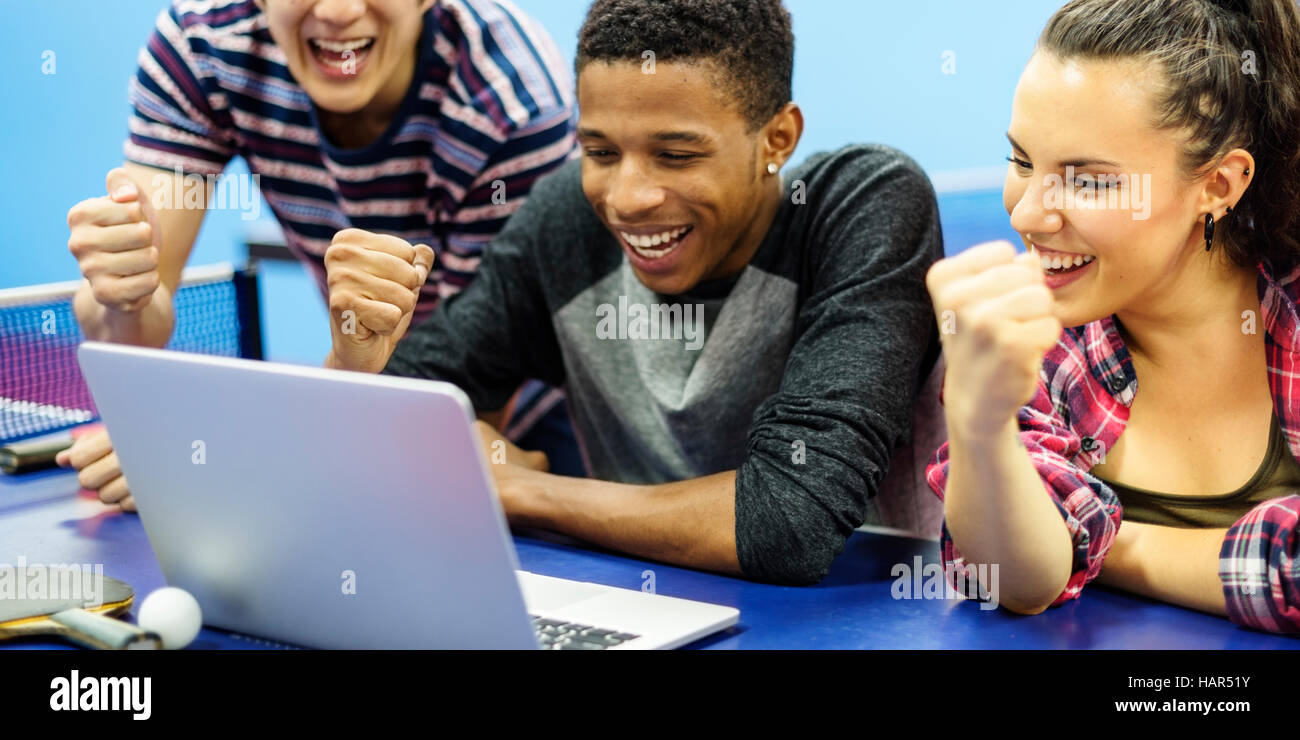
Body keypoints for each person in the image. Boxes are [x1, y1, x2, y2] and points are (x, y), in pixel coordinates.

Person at [323, 0, 943, 584]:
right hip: (631, 605)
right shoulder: (568, 218)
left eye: (675, 155)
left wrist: (519, 489)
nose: (626, 197)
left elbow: (788, 522)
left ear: (776, 140)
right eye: (600, 150)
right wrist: (358, 357)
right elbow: (404, 418)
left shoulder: (864, 204)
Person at [57, 0, 577, 510]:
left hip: (527, 430)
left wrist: (229, 445)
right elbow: (131, 331)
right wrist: (121, 294)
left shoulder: (512, 99)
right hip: (354, 399)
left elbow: (461, 401)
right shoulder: (203, 44)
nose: (337, 11)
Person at [926, 0, 1300, 633]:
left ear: (1218, 186)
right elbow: (1015, 581)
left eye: (1090, 182)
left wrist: (1111, 547)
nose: (1026, 215)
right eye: (1022, 161)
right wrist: (978, 426)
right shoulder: (1045, 344)